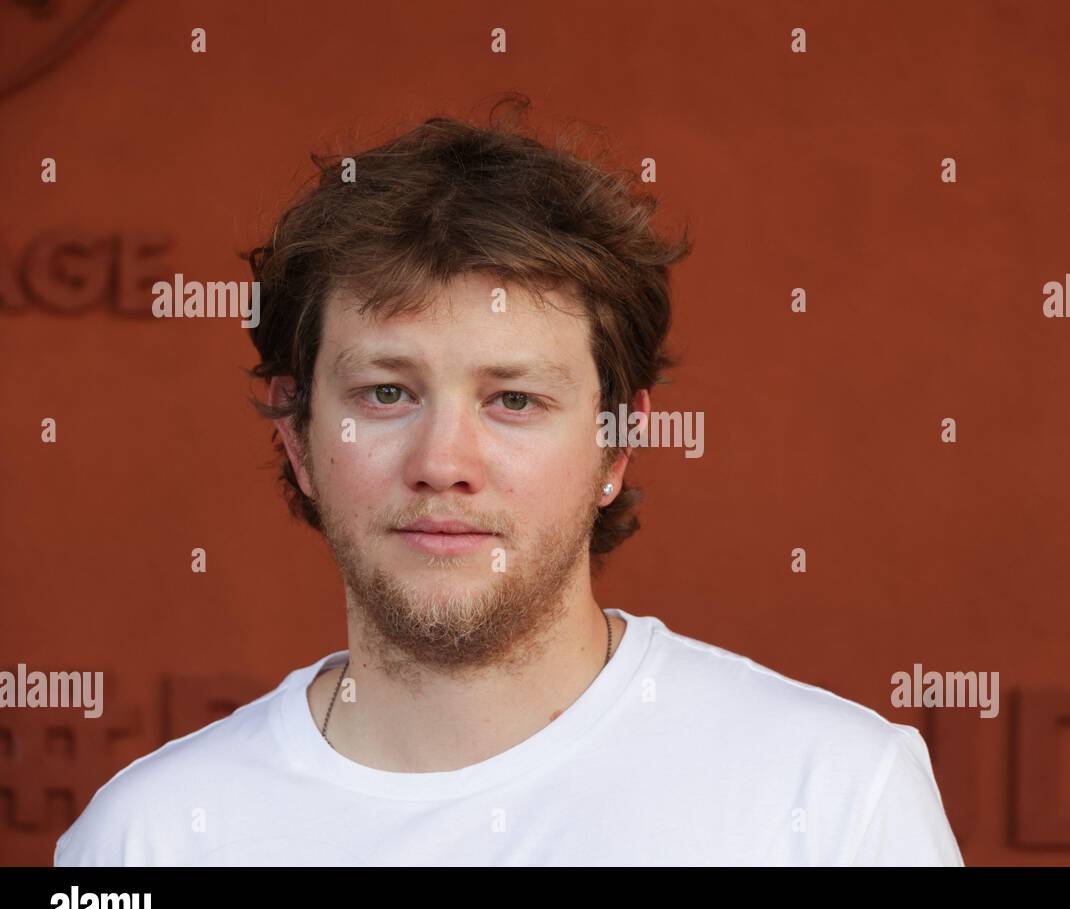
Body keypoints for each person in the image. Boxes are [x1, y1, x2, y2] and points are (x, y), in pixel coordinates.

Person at [54, 95, 963, 866]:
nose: (443, 463)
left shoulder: (837, 801)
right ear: (299, 438)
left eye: (515, 400)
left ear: (616, 447)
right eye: (384, 392)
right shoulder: (150, 841)